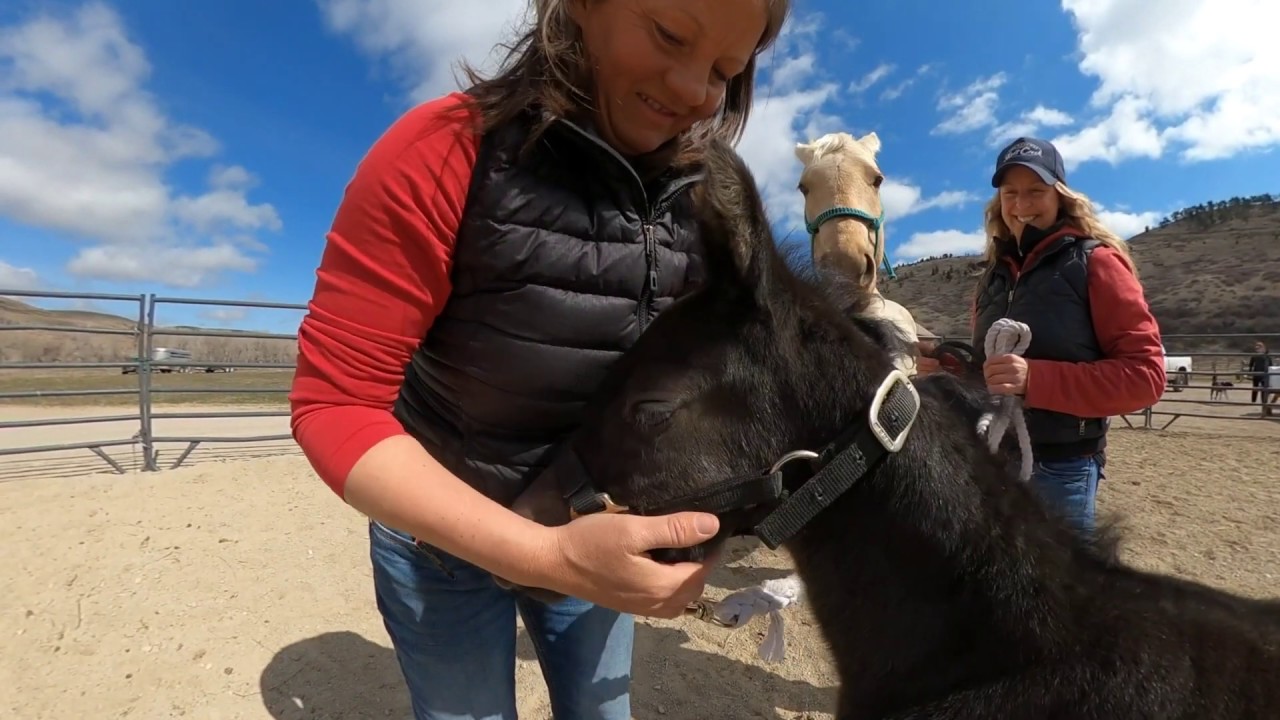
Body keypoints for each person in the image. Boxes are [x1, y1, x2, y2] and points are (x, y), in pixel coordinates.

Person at [287, 0, 790, 718]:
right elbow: (337, 404)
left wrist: (704, 525)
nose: (691, 89)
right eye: (670, 34)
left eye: (723, 71)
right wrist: (546, 556)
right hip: (439, 542)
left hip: (598, 522)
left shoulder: (709, 206)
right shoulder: (443, 151)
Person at [918, 137, 1166, 536]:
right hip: (992, 457)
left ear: (1060, 195)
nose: (1022, 204)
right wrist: (951, 370)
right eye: (1010, 193)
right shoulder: (992, 278)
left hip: (1061, 467)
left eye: (1036, 191)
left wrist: (1035, 379)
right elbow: (990, 376)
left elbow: (1146, 377)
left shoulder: (1097, 262)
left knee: (1058, 577)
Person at [1247, 340, 1273, 406]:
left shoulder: (1266, 355)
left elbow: (1270, 364)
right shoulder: (1254, 356)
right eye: (1256, 348)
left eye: (1259, 347)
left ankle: (1263, 401)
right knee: (1255, 387)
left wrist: (1270, 372)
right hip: (1256, 373)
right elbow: (1251, 364)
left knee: (1263, 388)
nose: (1257, 349)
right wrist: (1250, 371)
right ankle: (1253, 401)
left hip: (1264, 374)